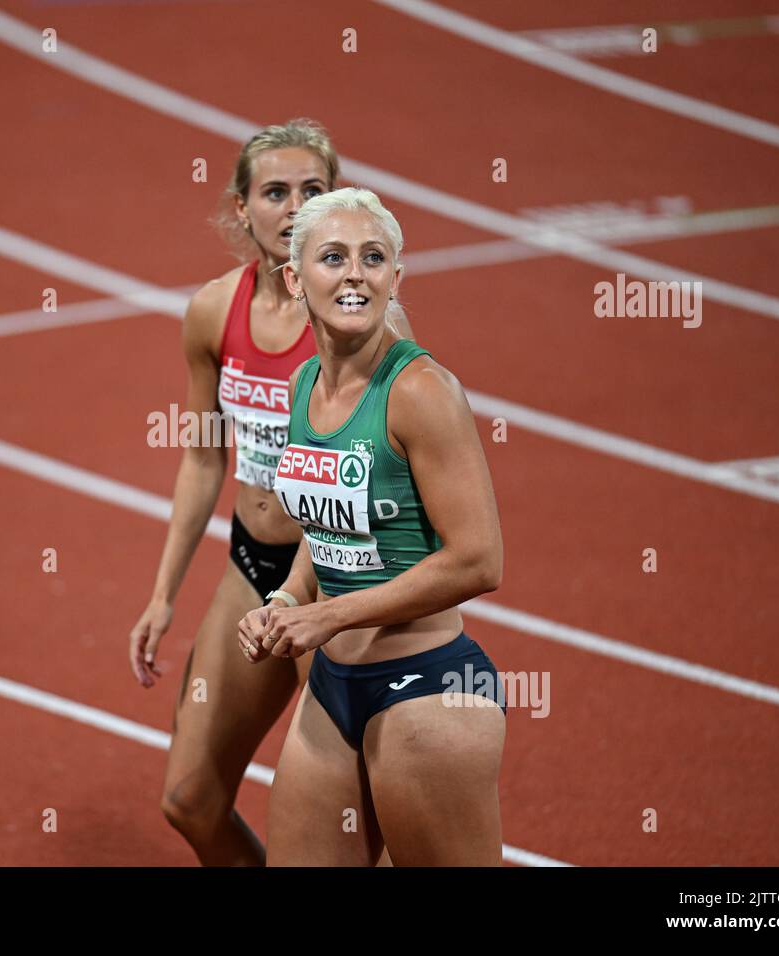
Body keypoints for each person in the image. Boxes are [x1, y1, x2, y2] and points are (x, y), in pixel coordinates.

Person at [238, 187, 508, 866]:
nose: (355, 273)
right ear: (296, 278)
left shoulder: (421, 393)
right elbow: (325, 533)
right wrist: (288, 602)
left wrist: (334, 616)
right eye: (333, 257)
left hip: (428, 691)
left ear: (395, 275)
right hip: (333, 688)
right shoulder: (303, 385)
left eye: (373, 257)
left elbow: (480, 560)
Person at [127, 119, 339, 866]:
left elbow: (379, 476)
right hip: (253, 570)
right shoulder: (215, 311)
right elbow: (202, 457)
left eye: (313, 191)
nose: (294, 206)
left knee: (343, 826)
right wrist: (163, 595)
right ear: (243, 209)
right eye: (275, 191)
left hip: (338, 586)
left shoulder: (356, 322)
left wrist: (306, 599)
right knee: (190, 800)